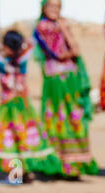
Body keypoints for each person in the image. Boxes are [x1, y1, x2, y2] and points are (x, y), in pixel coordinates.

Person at [32, 1, 98, 178]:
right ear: (44, 8)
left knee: (74, 116)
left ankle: (76, 163)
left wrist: (65, 30)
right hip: (55, 79)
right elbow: (59, 54)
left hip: (70, 79)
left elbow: (75, 50)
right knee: (58, 117)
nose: (55, 10)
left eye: (58, 7)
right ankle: (57, 164)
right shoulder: (42, 27)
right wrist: (66, 38)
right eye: (51, 6)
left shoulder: (62, 24)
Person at [0, 29, 62, 181]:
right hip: (21, 104)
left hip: (10, 105)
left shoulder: (1, 61)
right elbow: (31, 42)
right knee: (22, 138)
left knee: (15, 139)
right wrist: (20, 46)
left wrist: (1, 46)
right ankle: (22, 172)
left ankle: (21, 172)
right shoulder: (22, 59)